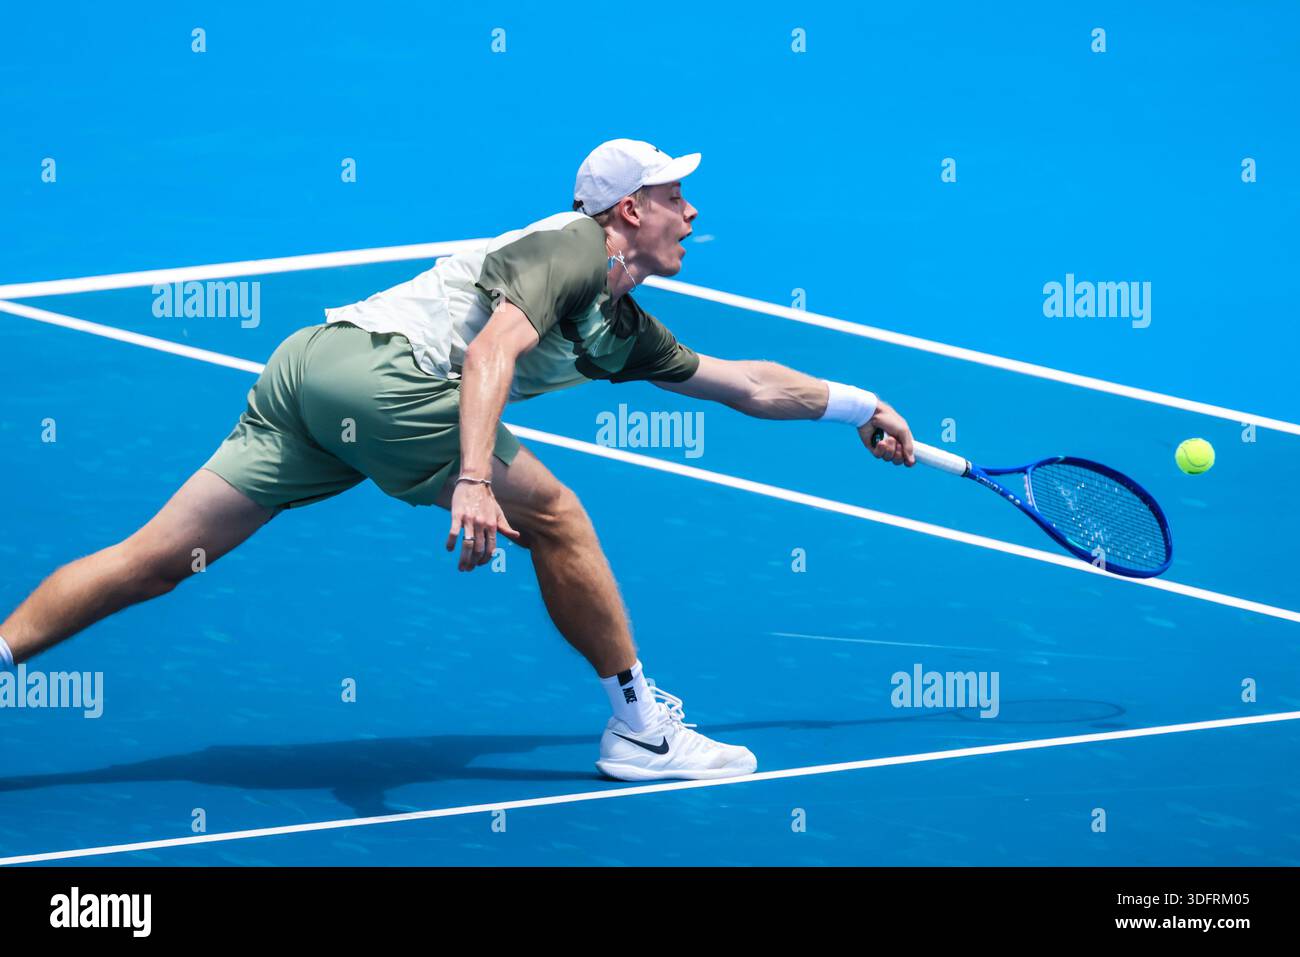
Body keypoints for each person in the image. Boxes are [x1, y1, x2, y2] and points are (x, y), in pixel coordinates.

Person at [0, 138, 915, 782]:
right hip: (383, 379)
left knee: (156, 558)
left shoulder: (620, 325)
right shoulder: (569, 247)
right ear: (629, 210)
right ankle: (641, 731)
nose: (693, 211)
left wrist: (861, 408)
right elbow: (488, 356)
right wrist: (474, 478)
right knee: (557, 514)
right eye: (677, 197)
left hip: (311, 371)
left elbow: (748, 383)